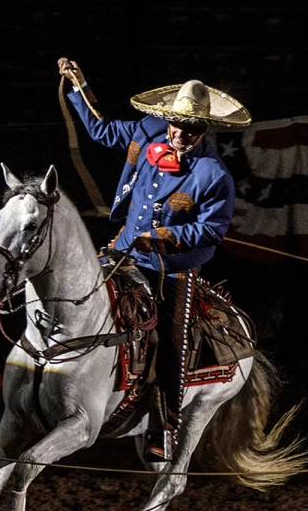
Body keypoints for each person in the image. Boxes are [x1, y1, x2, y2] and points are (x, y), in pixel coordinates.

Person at [57, 56, 251, 462]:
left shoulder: (213, 176)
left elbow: (210, 231)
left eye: (192, 128)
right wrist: (79, 85)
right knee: (65, 285)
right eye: (177, 124)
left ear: (204, 130)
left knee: (169, 336)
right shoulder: (145, 131)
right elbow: (101, 128)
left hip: (170, 267)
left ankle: (165, 423)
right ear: (167, 118)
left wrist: (161, 237)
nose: (181, 133)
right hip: (123, 247)